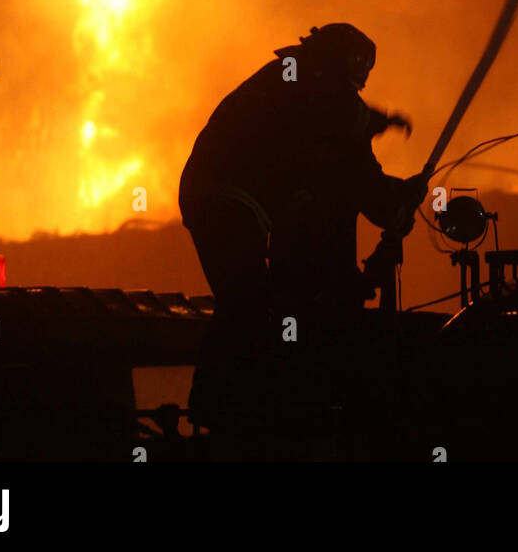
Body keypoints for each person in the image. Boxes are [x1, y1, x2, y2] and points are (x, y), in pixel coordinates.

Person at [179, 24, 427, 431]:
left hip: (215, 198)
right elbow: (358, 175)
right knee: (249, 304)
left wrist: (391, 194)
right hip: (229, 200)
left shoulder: (291, 82)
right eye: (359, 74)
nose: (361, 85)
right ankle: (222, 408)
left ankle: (223, 406)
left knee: (246, 302)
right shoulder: (310, 89)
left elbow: (348, 167)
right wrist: (398, 197)